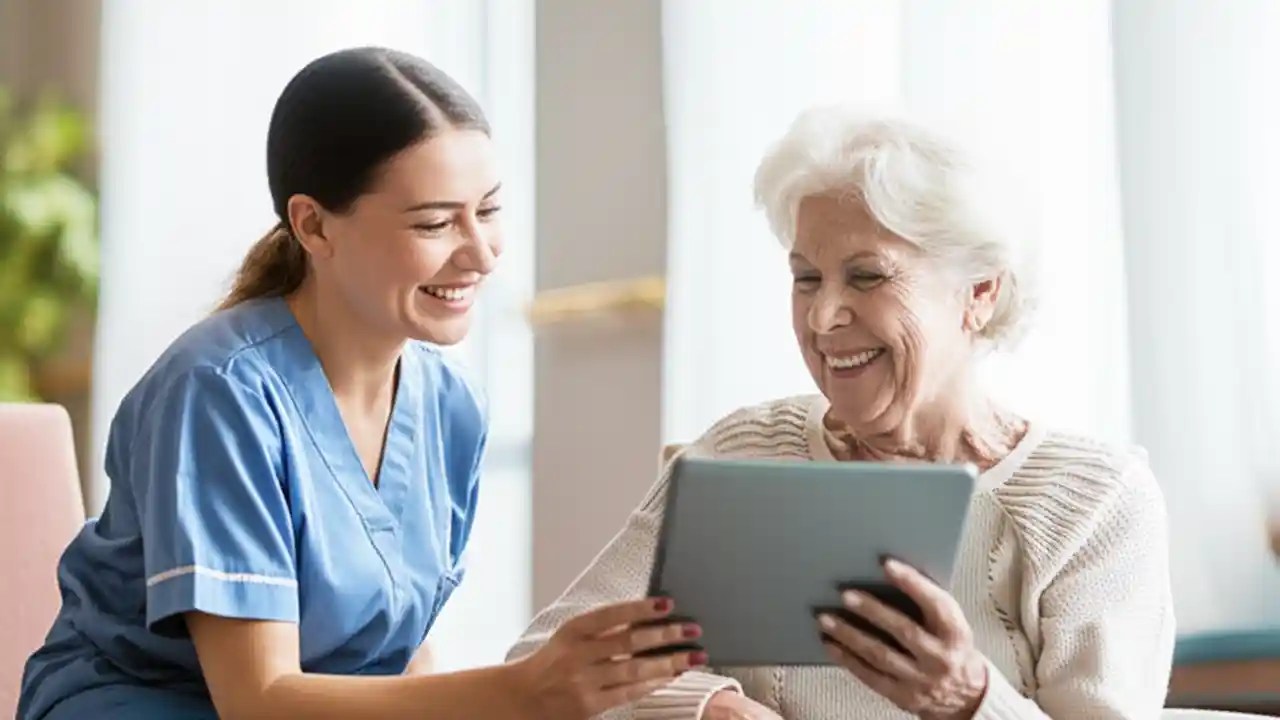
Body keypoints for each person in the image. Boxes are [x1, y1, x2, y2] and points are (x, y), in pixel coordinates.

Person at [18, 47, 705, 720]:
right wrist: (521, 694)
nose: (481, 252)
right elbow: (258, 701)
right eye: (435, 222)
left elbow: (397, 656)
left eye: (488, 211)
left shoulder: (449, 405)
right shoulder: (220, 393)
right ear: (314, 225)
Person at [507, 109, 1176, 719]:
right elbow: (544, 664)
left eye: (867, 277)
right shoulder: (744, 450)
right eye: (806, 279)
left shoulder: (1095, 502)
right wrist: (710, 706)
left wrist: (971, 700)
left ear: (978, 292)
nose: (824, 318)